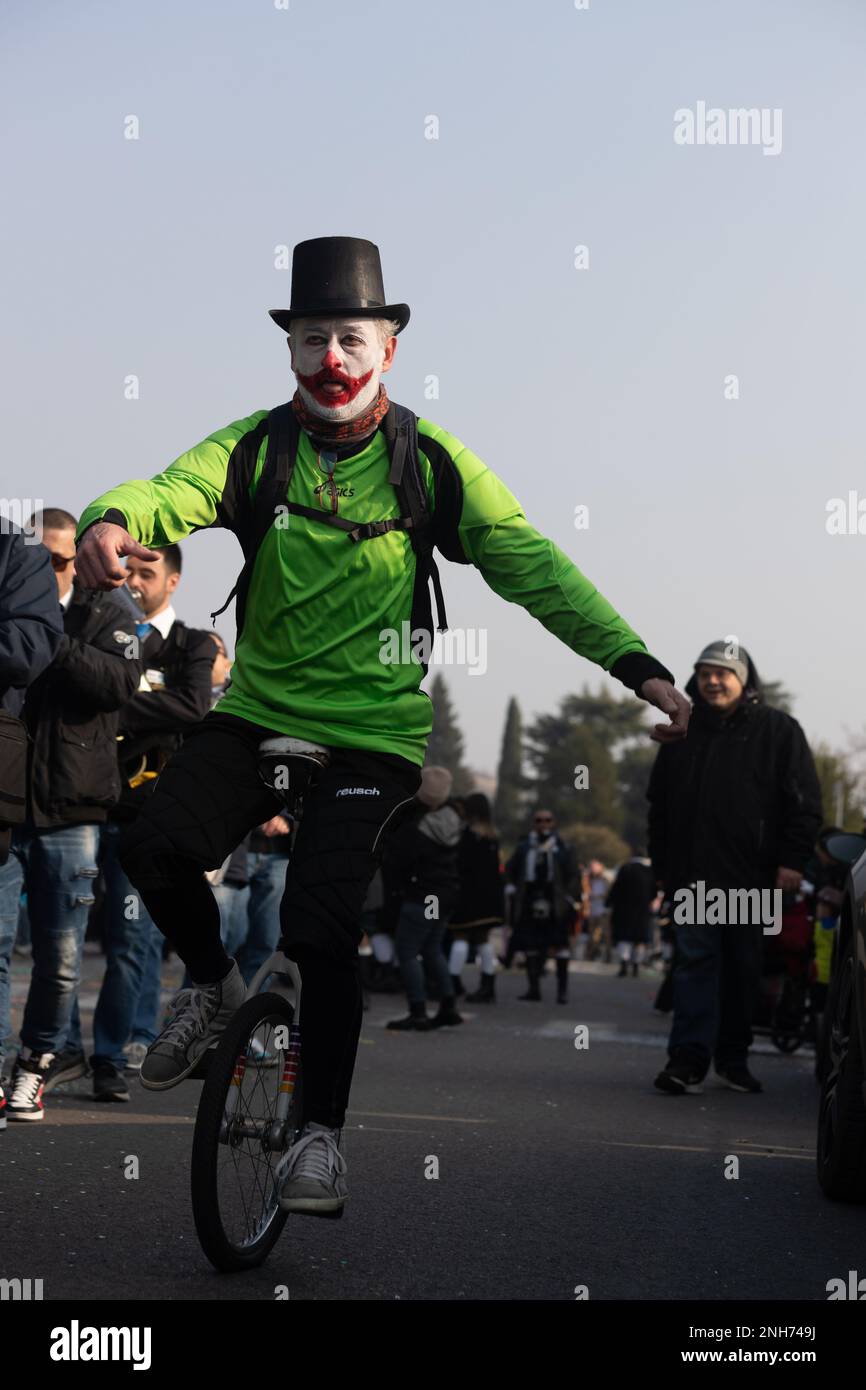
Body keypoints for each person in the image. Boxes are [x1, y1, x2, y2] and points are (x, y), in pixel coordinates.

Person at [73, 236, 688, 1215]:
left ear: (388, 348)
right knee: (153, 840)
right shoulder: (255, 447)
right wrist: (112, 519)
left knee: (320, 926)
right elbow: (167, 493)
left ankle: (317, 1136)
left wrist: (639, 666)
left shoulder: (430, 464)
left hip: (374, 737)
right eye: (311, 336)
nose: (331, 357)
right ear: (288, 349)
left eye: (350, 337)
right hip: (260, 714)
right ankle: (212, 985)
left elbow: (533, 564)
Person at [1, 509, 141, 1120]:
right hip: (8, 808)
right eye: (47, 561)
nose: (56, 572)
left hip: (73, 814)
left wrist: (50, 640)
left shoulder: (109, 611)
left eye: (63, 562)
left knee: (61, 963)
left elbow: (123, 683)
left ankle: (36, 1065)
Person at [63, 544, 213, 1099]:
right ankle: (57, 1050)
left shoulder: (191, 645)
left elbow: (194, 706)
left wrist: (110, 696)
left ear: (172, 581)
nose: (133, 582)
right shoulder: (96, 629)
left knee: (134, 940)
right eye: (128, 572)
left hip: (149, 815)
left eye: (147, 573)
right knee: (68, 937)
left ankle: (114, 1053)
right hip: (82, 800)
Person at [649, 640, 821, 1095]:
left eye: (722, 672)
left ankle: (732, 1059)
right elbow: (659, 807)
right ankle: (686, 1061)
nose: (712, 680)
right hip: (693, 876)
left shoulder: (780, 731)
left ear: (745, 681)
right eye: (704, 672)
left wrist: (792, 861)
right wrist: (662, 870)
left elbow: (803, 803)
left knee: (744, 970)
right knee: (694, 966)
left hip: (753, 878)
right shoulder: (682, 731)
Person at [0, 523, 64, 1126]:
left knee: (54, 951)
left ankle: (32, 1062)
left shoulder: (16, 553)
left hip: (68, 810)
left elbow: (28, 650)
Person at [385, 766, 463, 1030]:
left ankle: (418, 1010)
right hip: (446, 893)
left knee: (407, 951)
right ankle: (448, 1005)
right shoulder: (453, 819)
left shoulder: (415, 825)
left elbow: (398, 861)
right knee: (432, 949)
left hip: (422, 894)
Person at [507, 809, 580, 1003]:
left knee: (560, 945)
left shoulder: (563, 847)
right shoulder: (524, 847)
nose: (543, 824)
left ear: (553, 822)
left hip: (555, 899)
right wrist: (513, 890)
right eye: (539, 820)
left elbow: (573, 874)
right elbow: (510, 870)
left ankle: (562, 992)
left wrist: (569, 899)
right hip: (530, 897)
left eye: (547, 820)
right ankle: (533, 989)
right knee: (531, 944)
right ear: (534, 823)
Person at [449, 792, 505, 1003]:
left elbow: (461, 866)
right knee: (483, 940)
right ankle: (488, 984)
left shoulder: (468, 835)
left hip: (468, 895)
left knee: (460, 936)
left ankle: (452, 982)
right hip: (490, 897)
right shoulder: (492, 836)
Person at [607, 850, 656, 977]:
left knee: (625, 939)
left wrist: (609, 902)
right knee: (639, 940)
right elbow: (655, 892)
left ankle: (624, 964)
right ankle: (636, 966)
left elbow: (616, 888)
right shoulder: (650, 871)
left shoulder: (625, 869)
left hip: (624, 911)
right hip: (643, 912)